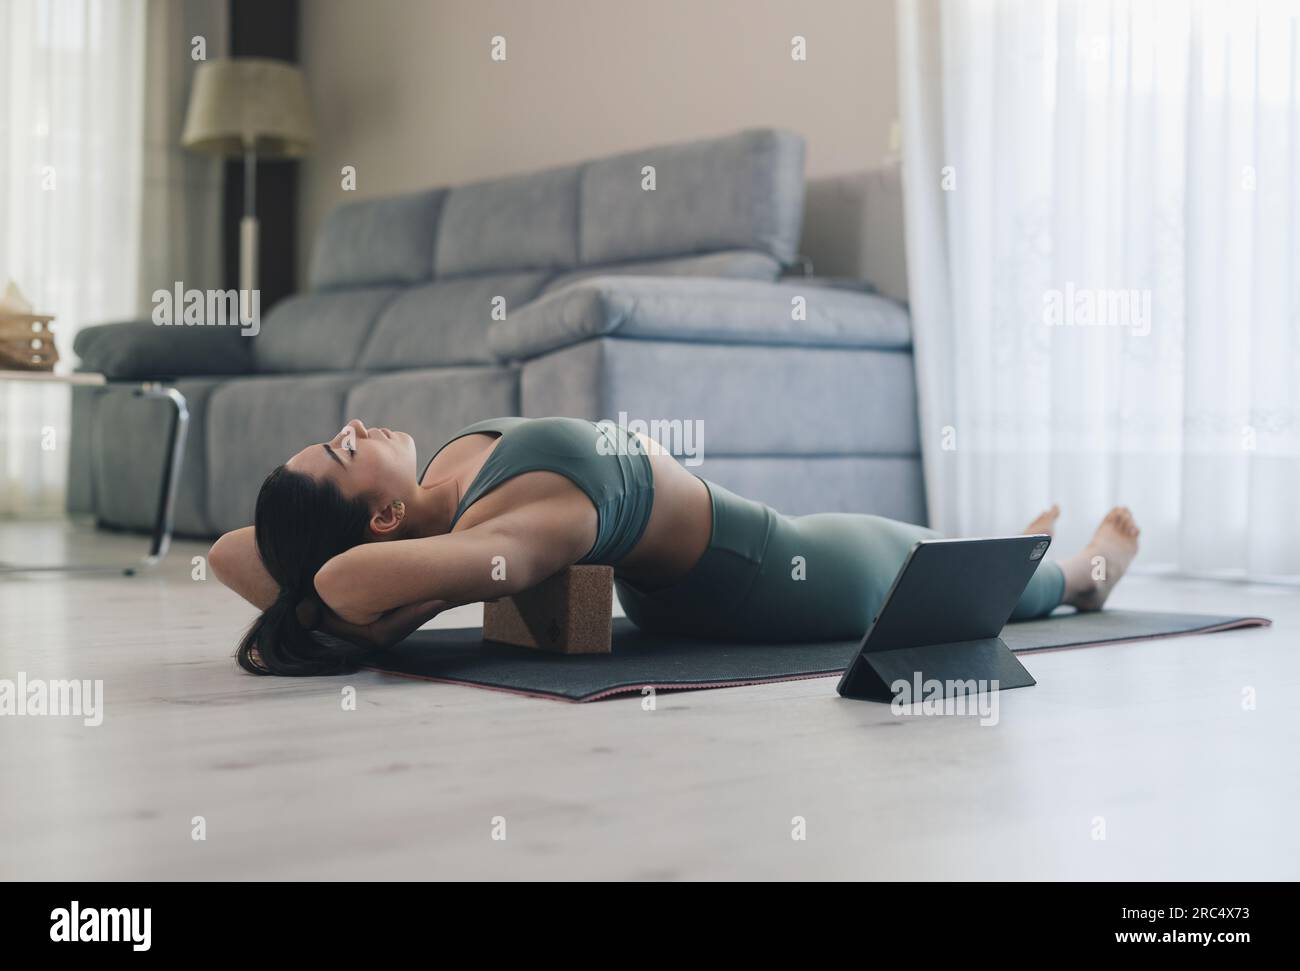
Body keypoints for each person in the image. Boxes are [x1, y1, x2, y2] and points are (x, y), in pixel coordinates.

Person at [209, 417, 1140, 676]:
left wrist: (328, 601)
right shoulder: (529, 524)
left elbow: (236, 554)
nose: (358, 425)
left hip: (706, 577)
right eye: (344, 450)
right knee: (930, 572)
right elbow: (322, 571)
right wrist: (335, 591)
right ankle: (1076, 576)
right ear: (377, 521)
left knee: (939, 546)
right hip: (783, 577)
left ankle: (1022, 551)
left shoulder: (446, 492)